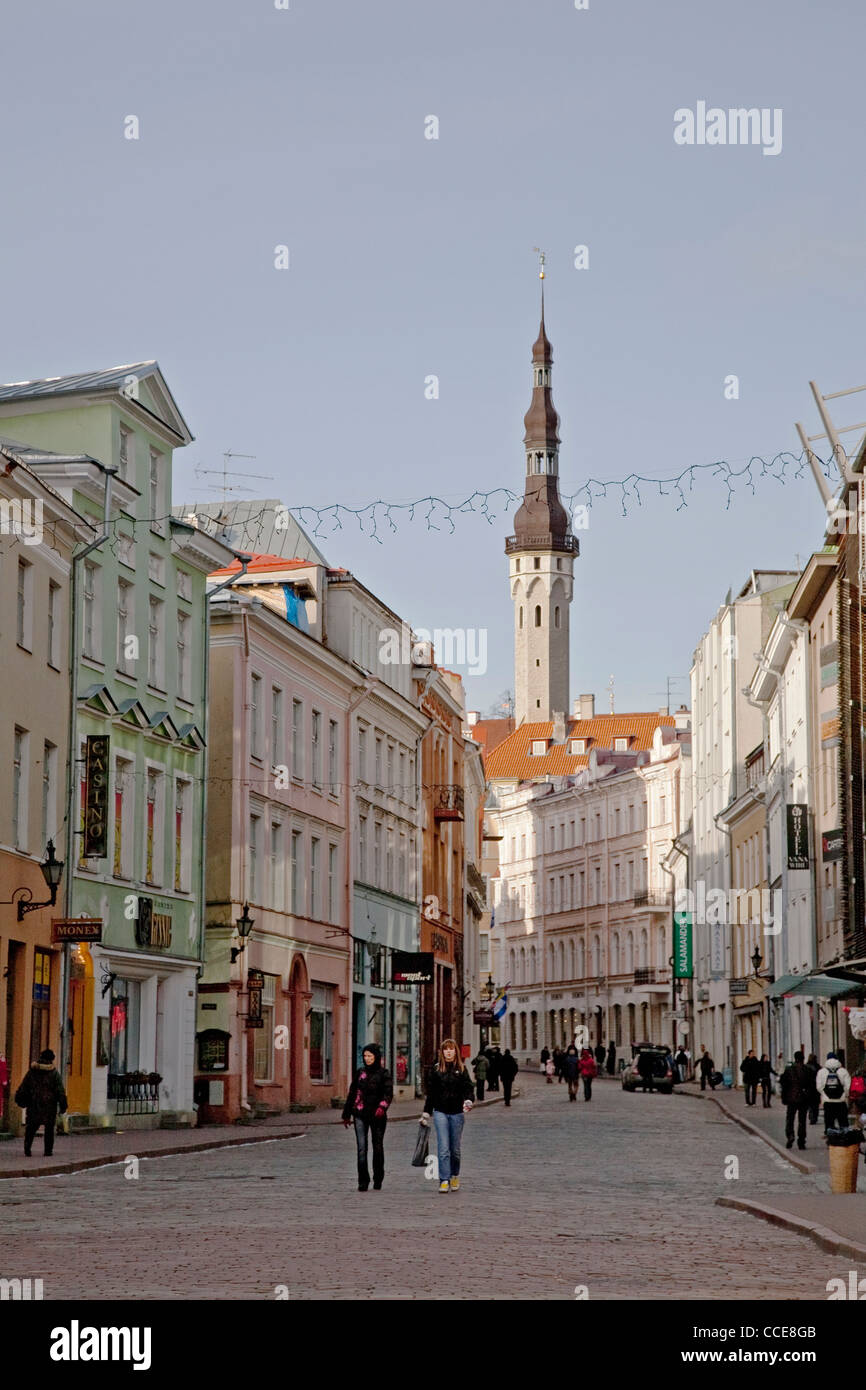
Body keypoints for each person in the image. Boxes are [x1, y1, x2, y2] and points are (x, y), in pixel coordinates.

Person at [422, 1037, 474, 1192]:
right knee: (443, 1148)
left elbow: (468, 1089)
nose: (448, 1052)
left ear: (455, 1051)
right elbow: (431, 1093)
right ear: (442, 1052)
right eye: (446, 1049)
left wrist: (469, 1100)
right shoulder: (436, 1070)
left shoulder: (462, 1069)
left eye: (451, 1049)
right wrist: (426, 1112)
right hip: (440, 1112)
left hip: (457, 1113)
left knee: (455, 1150)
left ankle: (455, 1175)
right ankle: (444, 1180)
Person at [341, 1043, 393, 1191]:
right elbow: (352, 1094)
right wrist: (346, 1114)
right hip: (359, 1114)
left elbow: (388, 1093)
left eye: (370, 1056)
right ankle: (363, 1181)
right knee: (361, 1148)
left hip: (377, 1115)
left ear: (376, 1057)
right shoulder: (360, 1073)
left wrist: (382, 1107)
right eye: (365, 1056)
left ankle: (378, 1178)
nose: (367, 1058)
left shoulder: (384, 1074)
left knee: (377, 1147)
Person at [14, 1048, 68, 1158]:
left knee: (31, 1128)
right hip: (49, 1105)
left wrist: (20, 1100)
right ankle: (48, 1151)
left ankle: (27, 1149)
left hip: (33, 1104)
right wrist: (63, 1105)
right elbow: (60, 1091)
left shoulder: (32, 1071)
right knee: (49, 1129)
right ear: (52, 1059)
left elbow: (24, 1087)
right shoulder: (54, 1074)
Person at [780, 1051, 812, 1150]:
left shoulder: (789, 1070)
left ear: (795, 1058)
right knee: (802, 1120)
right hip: (803, 1098)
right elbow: (811, 1085)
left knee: (790, 1119)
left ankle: (790, 1135)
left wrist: (784, 1097)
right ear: (803, 1058)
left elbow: (784, 1084)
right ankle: (801, 1141)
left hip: (791, 1098)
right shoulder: (807, 1069)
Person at [816, 1051, 851, 1132]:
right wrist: (844, 1095)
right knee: (843, 1123)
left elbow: (819, 1087)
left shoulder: (821, 1072)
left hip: (828, 1101)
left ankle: (831, 1141)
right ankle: (844, 1140)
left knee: (829, 1123)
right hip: (841, 1101)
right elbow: (848, 1086)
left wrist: (824, 1094)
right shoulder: (843, 1071)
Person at [805, 1053, 820, 1125]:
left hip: (808, 1088)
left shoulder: (805, 1067)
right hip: (816, 1088)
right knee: (816, 1104)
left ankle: (811, 1117)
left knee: (810, 1104)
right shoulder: (818, 1067)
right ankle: (815, 1117)